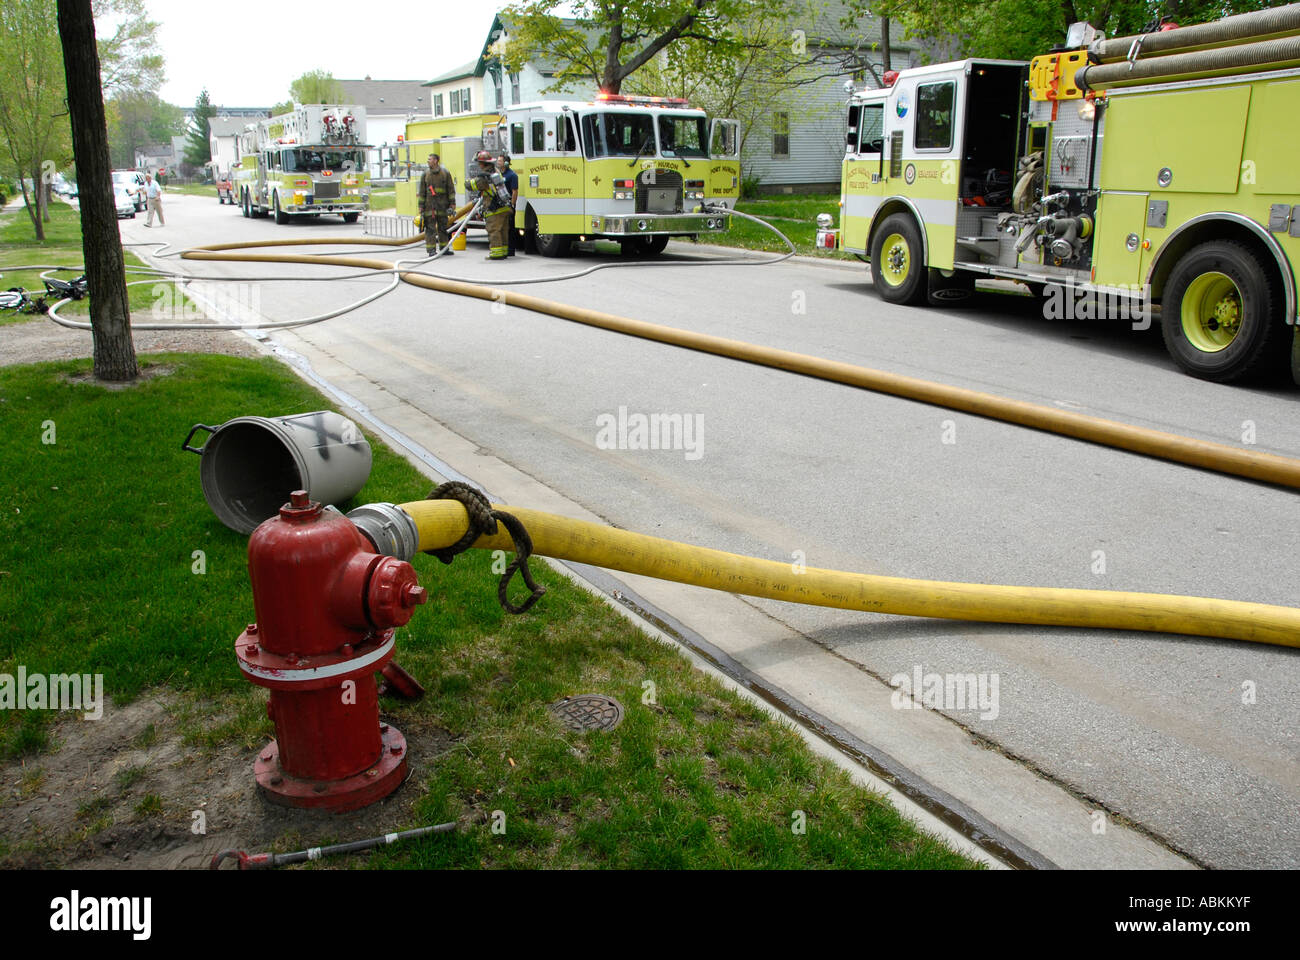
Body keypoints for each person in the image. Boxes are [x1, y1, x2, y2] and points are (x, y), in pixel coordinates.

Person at [469, 150, 511, 261]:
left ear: (482, 164)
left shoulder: (484, 177)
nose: (479, 164)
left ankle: (496, 254)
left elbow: (472, 185)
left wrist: (467, 182)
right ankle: (504, 252)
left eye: (479, 163)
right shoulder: (496, 171)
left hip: (494, 208)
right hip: (504, 206)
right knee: (503, 231)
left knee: (494, 231)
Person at [417, 153, 456, 256]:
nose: (428, 161)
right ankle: (431, 250)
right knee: (430, 229)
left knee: (443, 228)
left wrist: (452, 204)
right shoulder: (425, 174)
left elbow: (450, 189)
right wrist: (421, 206)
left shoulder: (445, 173)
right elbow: (422, 192)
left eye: (429, 159)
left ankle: (444, 249)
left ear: (435, 161)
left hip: (443, 206)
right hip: (429, 206)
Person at [495, 154, 520, 256]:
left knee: (510, 228)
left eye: (500, 161)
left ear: (506, 163)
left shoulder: (512, 175)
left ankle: (510, 250)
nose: (498, 163)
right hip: (499, 206)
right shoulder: (498, 175)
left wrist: (512, 205)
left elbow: (515, 191)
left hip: (508, 205)